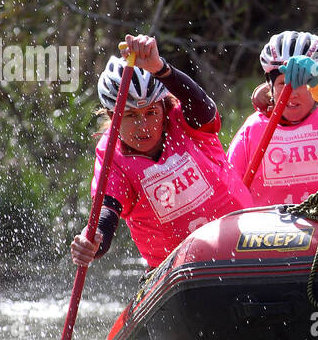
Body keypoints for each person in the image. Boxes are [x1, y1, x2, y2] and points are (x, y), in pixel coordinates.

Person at [70, 35, 254, 270]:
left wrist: (160, 69)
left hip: (244, 241)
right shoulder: (111, 156)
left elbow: (205, 107)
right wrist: (92, 241)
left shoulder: (184, 119)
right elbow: (107, 214)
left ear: (163, 107)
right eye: (130, 116)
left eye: (150, 113)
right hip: (176, 269)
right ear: (111, 117)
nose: (143, 126)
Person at [228, 30, 318, 204]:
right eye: (282, 83)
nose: (292, 93)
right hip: (270, 229)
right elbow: (229, 188)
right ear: (269, 86)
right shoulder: (253, 128)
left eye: (302, 83)